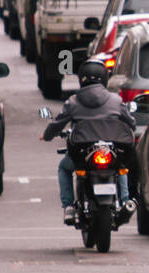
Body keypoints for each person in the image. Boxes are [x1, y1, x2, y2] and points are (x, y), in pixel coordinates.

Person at [41, 59, 136, 225]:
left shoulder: (73, 102)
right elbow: (131, 123)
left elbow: (57, 124)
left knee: (64, 167)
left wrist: (47, 135)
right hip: (112, 152)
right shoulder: (116, 100)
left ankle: (69, 206)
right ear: (105, 78)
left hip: (83, 155)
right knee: (121, 167)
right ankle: (125, 201)